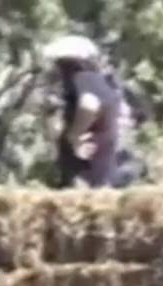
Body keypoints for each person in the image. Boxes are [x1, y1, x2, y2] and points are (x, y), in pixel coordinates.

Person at [41, 35, 133, 189]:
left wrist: (74, 135)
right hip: (94, 171)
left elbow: (90, 105)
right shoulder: (101, 84)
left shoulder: (85, 79)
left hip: (90, 173)